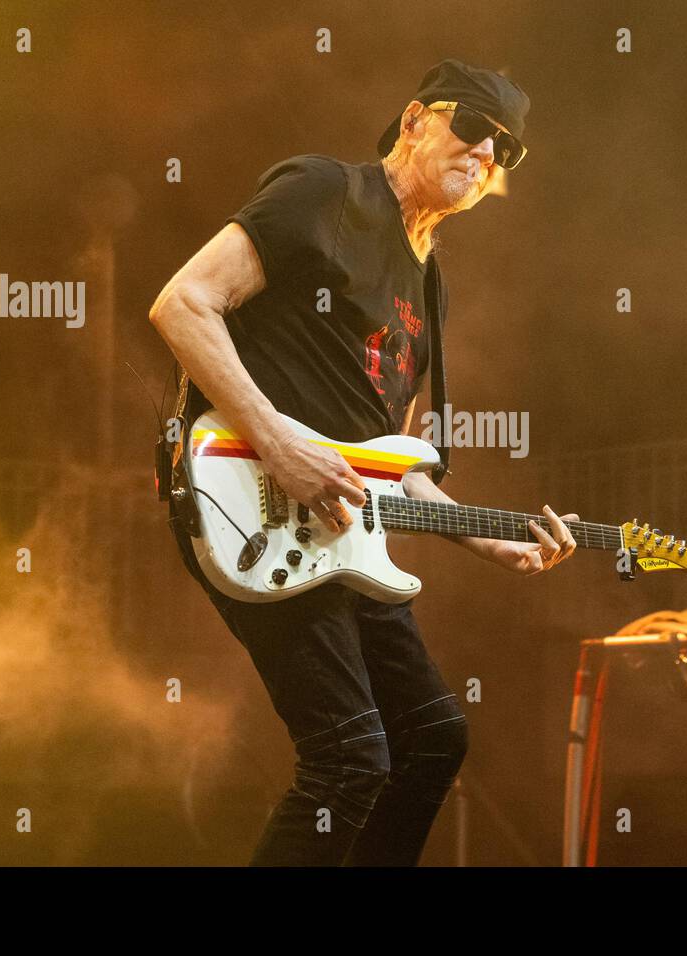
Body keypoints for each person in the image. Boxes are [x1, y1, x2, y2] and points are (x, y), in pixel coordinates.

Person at [148, 59, 577, 866]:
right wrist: (279, 443)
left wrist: (488, 538)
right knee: (349, 760)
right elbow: (183, 303)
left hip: (336, 529)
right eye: (474, 125)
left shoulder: (430, 284)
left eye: (507, 148)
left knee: (433, 741)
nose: (487, 151)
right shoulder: (325, 194)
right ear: (414, 119)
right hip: (243, 492)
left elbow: (394, 466)